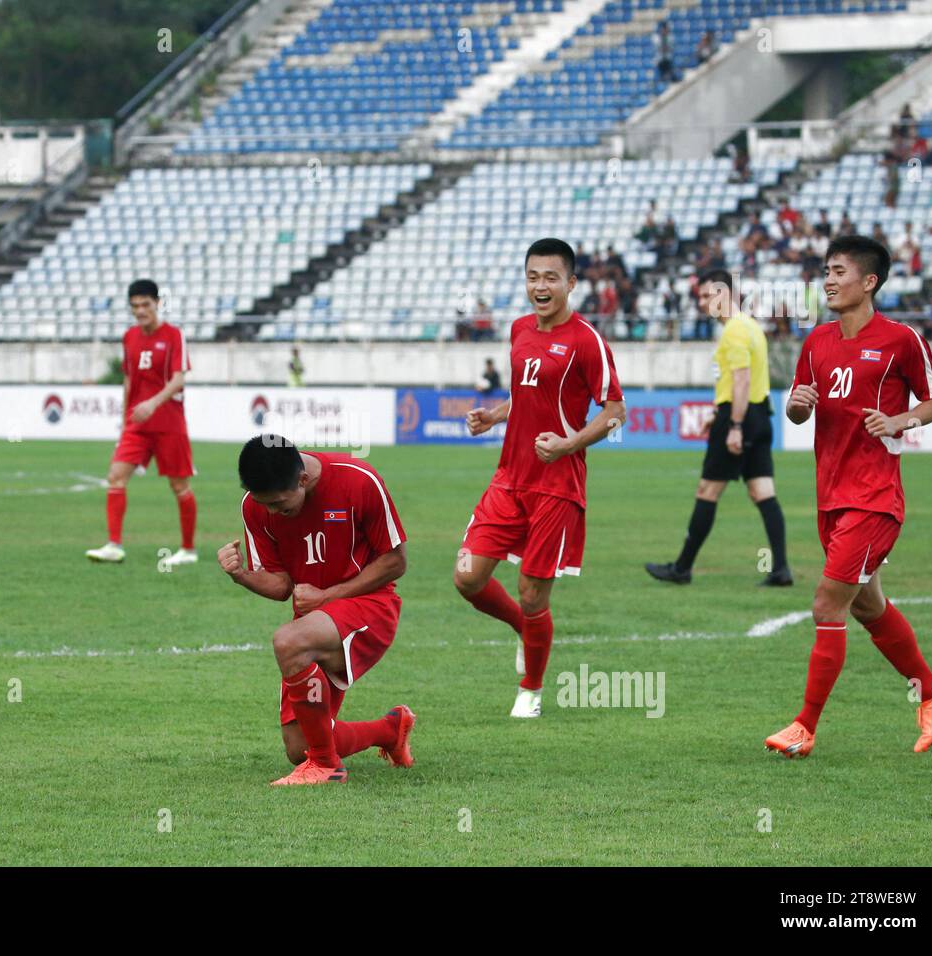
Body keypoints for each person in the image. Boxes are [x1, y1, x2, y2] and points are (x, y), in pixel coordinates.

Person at [765, 235, 932, 758]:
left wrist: (901, 419)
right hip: (830, 496)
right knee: (868, 605)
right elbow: (799, 414)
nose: (828, 280)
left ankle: (804, 727)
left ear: (868, 281)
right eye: (825, 270)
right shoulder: (818, 342)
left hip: (875, 498)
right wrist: (797, 403)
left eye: (839, 271)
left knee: (828, 602)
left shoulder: (899, 340)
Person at [454, 238, 625, 719]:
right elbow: (525, 392)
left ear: (571, 283)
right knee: (467, 577)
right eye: (533, 277)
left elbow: (616, 411)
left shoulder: (586, 340)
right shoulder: (518, 330)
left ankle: (530, 688)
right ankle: (521, 630)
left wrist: (569, 445)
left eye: (551, 277)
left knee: (533, 594)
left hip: (557, 486)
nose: (541, 286)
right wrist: (496, 414)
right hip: (509, 477)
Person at [220, 435, 415, 785]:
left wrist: (329, 595)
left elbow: (396, 562)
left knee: (287, 641)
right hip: (314, 621)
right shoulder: (255, 506)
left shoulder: (358, 480)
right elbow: (280, 586)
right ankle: (390, 729)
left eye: (280, 505)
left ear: (303, 480)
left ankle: (327, 767)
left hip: (370, 605)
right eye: (266, 505)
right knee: (299, 748)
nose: (272, 513)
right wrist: (241, 575)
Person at [646, 269, 790, 586]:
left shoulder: (734, 331)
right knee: (762, 490)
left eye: (707, 296)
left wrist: (733, 424)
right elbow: (743, 382)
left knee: (707, 490)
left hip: (740, 419)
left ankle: (682, 568)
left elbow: (741, 379)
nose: (703, 303)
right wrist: (718, 411)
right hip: (760, 416)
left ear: (725, 294)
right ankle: (780, 569)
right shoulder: (752, 327)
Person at [85, 279, 197, 566]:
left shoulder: (173, 335)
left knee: (179, 486)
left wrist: (153, 403)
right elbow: (129, 378)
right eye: (135, 305)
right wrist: (125, 418)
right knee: (116, 476)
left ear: (157, 304)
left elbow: (179, 379)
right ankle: (114, 545)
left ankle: (187, 549)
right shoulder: (130, 337)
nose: (140, 310)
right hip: (137, 424)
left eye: (145, 304)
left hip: (168, 422)